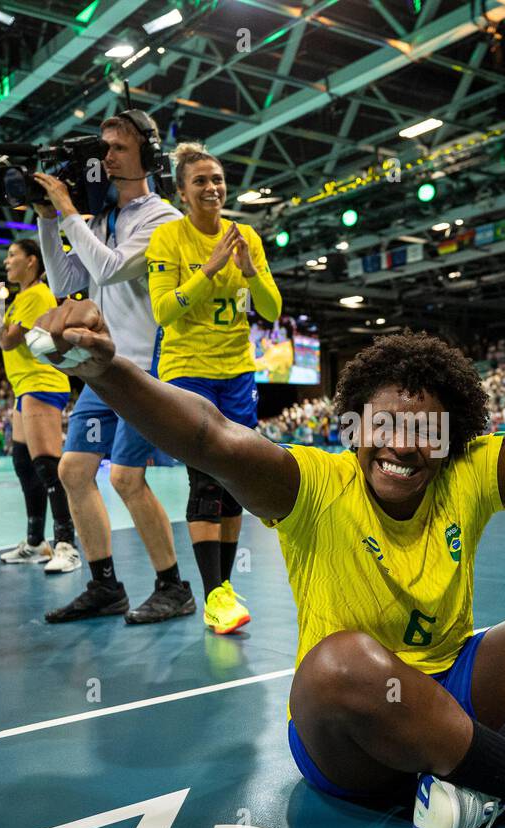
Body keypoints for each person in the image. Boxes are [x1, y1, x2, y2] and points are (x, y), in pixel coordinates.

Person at [31, 299, 505, 828]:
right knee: (340, 663)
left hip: (454, 691)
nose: (402, 446)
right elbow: (205, 434)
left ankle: (471, 792)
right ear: (354, 426)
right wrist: (105, 368)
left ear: (451, 443)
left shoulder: (473, 474)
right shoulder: (307, 484)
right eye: (383, 425)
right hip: (354, 735)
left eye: (426, 432)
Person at [32, 111, 194, 625]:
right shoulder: (100, 221)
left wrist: (67, 209)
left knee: (125, 478)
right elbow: (65, 283)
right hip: (104, 367)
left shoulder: (161, 219)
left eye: (119, 148)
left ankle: (174, 586)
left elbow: (107, 267)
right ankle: (106, 586)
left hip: (146, 369)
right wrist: (47, 218)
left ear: (146, 156)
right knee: (73, 470)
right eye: (103, 148)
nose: (107, 158)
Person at [145, 141, 282, 634]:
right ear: (182, 192)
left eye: (218, 179)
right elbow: (164, 311)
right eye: (200, 180)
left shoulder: (247, 237)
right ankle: (215, 594)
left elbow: (270, 309)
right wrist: (207, 271)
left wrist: (248, 271)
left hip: (238, 374)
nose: (212, 187)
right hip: (187, 373)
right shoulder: (168, 240)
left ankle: (221, 590)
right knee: (204, 476)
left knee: (233, 478)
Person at [0, 241, 77, 571]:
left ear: (32, 261)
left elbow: (5, 339)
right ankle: (36, 542)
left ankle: (66, 545)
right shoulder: (21, 299)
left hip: (41, 384)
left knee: (47, 466)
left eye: (13, 255)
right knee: (23, 461)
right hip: (25, 387)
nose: (6, 261)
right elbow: (5, 336)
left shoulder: (37, 296)